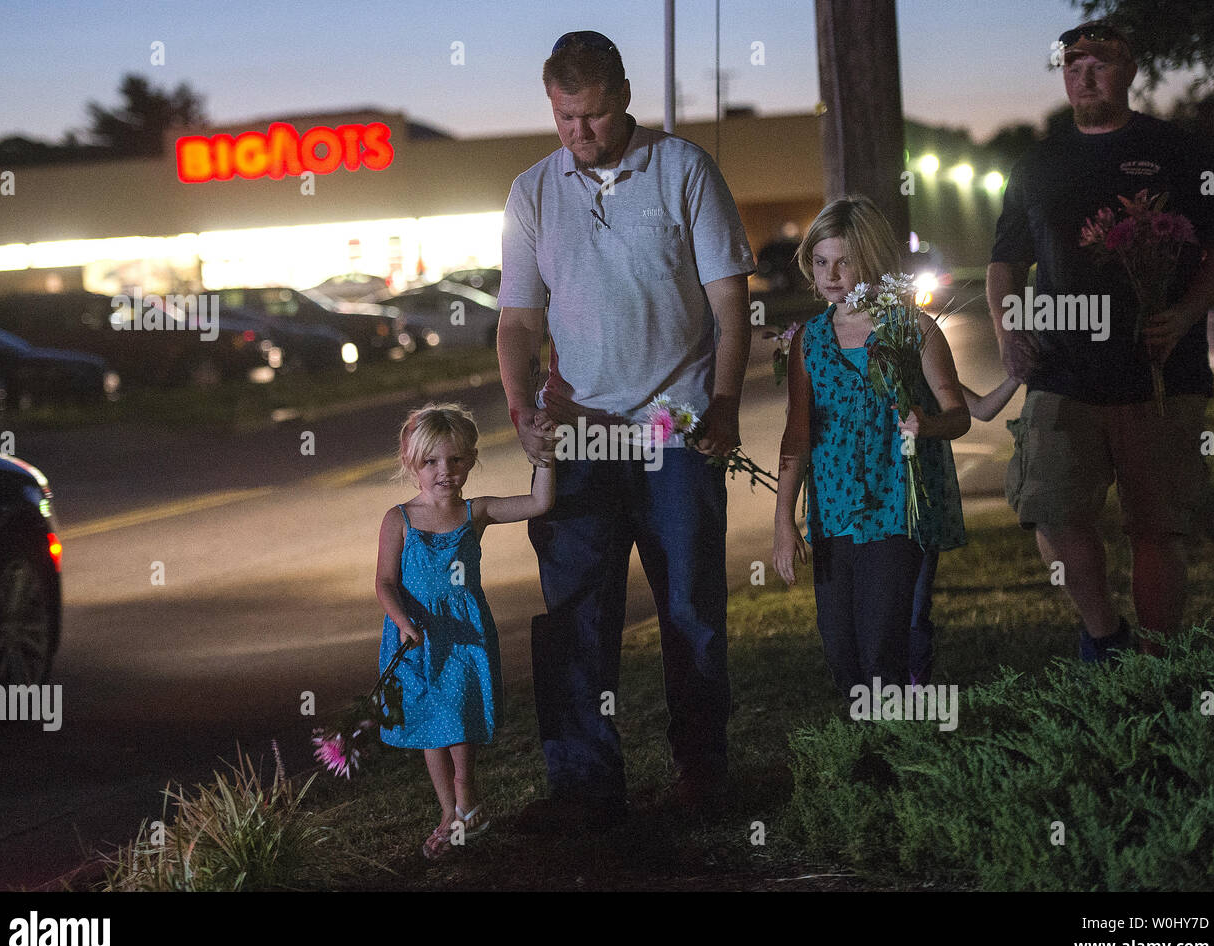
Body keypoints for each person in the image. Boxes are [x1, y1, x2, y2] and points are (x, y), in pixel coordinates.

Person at [497, 30, 755, 823]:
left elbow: (729, 303)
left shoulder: (684, 169)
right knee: (575, 611)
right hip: (577, 436)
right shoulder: (531, 192)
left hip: (674, 430)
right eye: (564, 116)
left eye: (595, 115)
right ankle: (583, 786)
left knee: (690, 609)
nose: (579, 132)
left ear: (625, 97)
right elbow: (517, 320)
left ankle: (701, 773)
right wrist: (522, 410)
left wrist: (724, 401)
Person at [988, 21, 1214, 661]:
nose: (1084, 76)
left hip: (1158, 371)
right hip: (1061, 370)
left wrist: (1183, 314)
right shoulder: (1038, 163)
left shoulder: (1177, 152)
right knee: (1052, 512)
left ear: (1129, 71)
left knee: (1155, 527)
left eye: (1099, 63)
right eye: (1072, 64)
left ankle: (1156, 663)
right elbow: (1005, 262)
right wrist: (1008, 329)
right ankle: (1105, 637)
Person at [773, 196, 970, 695]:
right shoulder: (810, 341)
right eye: (821, 262)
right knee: (840, 648)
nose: (831, 275)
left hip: (894, 510)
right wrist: (783, 522)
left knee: (883, 646)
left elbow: (959, 415)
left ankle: (893, 736)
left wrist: (928, 424)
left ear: (872, 259)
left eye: (845, 262)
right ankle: (865, 737)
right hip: (832, 513)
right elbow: (797, 432)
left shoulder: (913, 329)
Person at [375, 403, 554, 859]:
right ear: (410, 462)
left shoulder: (477, 512)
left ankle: (467, 798)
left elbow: (539, 503)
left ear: (472, 459)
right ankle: (450, 813)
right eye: (431, 461)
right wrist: (403, 623)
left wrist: (546, 456)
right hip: (415, 637)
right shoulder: (398, 519)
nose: (445, 471)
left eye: (456, 460)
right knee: (430, 725)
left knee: (458, 717)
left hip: (462, 635)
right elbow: (385, 582)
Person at [909, 376, 1021, 685]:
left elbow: (981, 409)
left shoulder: (925, 363)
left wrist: (1017, 376)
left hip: (922, 498)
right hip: (874, 499)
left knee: (916, 602)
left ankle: (913, 688)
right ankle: (884, 685)